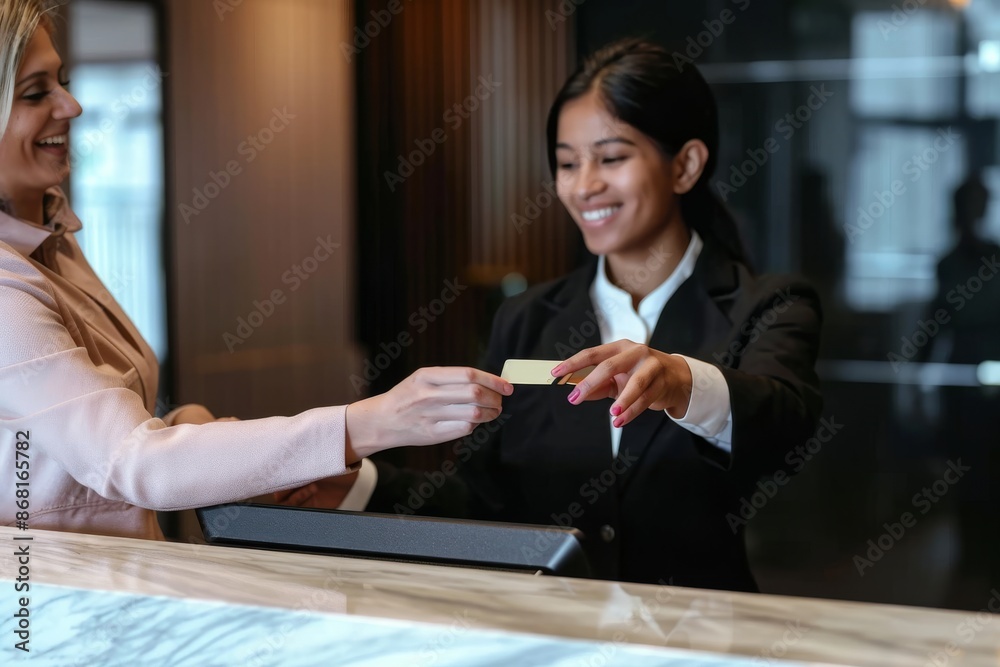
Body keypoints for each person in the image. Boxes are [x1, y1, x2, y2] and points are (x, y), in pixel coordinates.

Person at [277, 39, 823, 592]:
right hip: (552, 635)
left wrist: (682, 381)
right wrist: (352, 485)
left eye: (611, 158)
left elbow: (785, 425)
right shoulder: (527, 318)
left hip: (703, 640)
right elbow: (482, 501)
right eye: (566, 163)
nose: (583, 186)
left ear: (684, 165)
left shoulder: (769, 305)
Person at [0, 0, 512, 541]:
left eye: (63, 81)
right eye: (37, 93)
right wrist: (373, 421)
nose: (72, 106)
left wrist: (186, 427)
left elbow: (78, 447)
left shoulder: (50, 240)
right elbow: (132, 463)